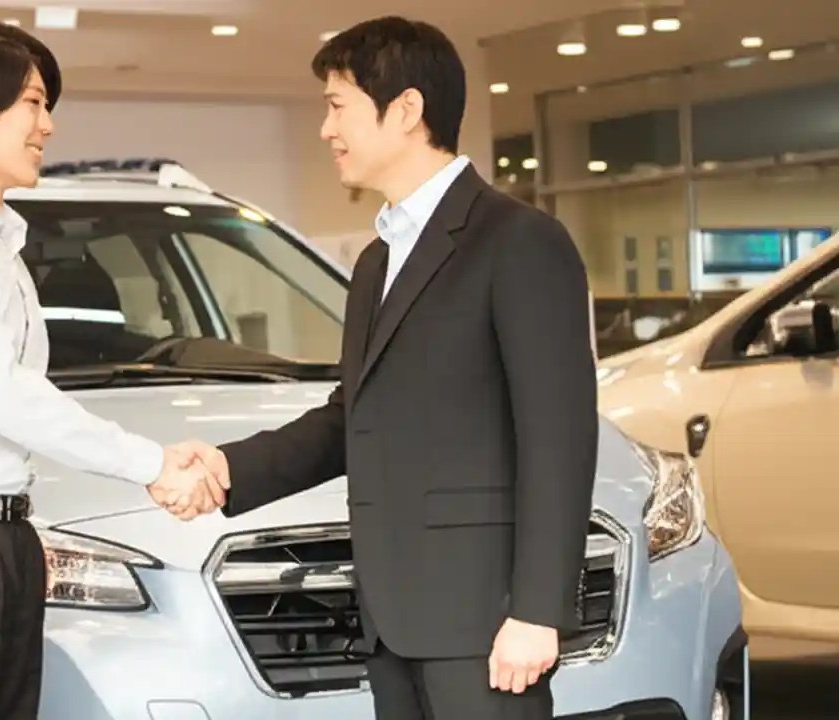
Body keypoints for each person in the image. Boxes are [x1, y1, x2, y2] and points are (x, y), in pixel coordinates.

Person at [174, 16, 599, 720]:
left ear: (405, 110)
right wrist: (226, 467)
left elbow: (559, 439)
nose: (325, 129)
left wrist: (538, 612)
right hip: (393, 620)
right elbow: (354, 419)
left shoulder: (519, 241)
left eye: (337, 105)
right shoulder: (377, 262)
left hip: (485, 623)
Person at [0, 21, 224, 720]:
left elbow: (22, 398)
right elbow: (6, 394)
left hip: (3, 540)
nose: (47, 126)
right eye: (31, 102)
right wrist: (152, 463)